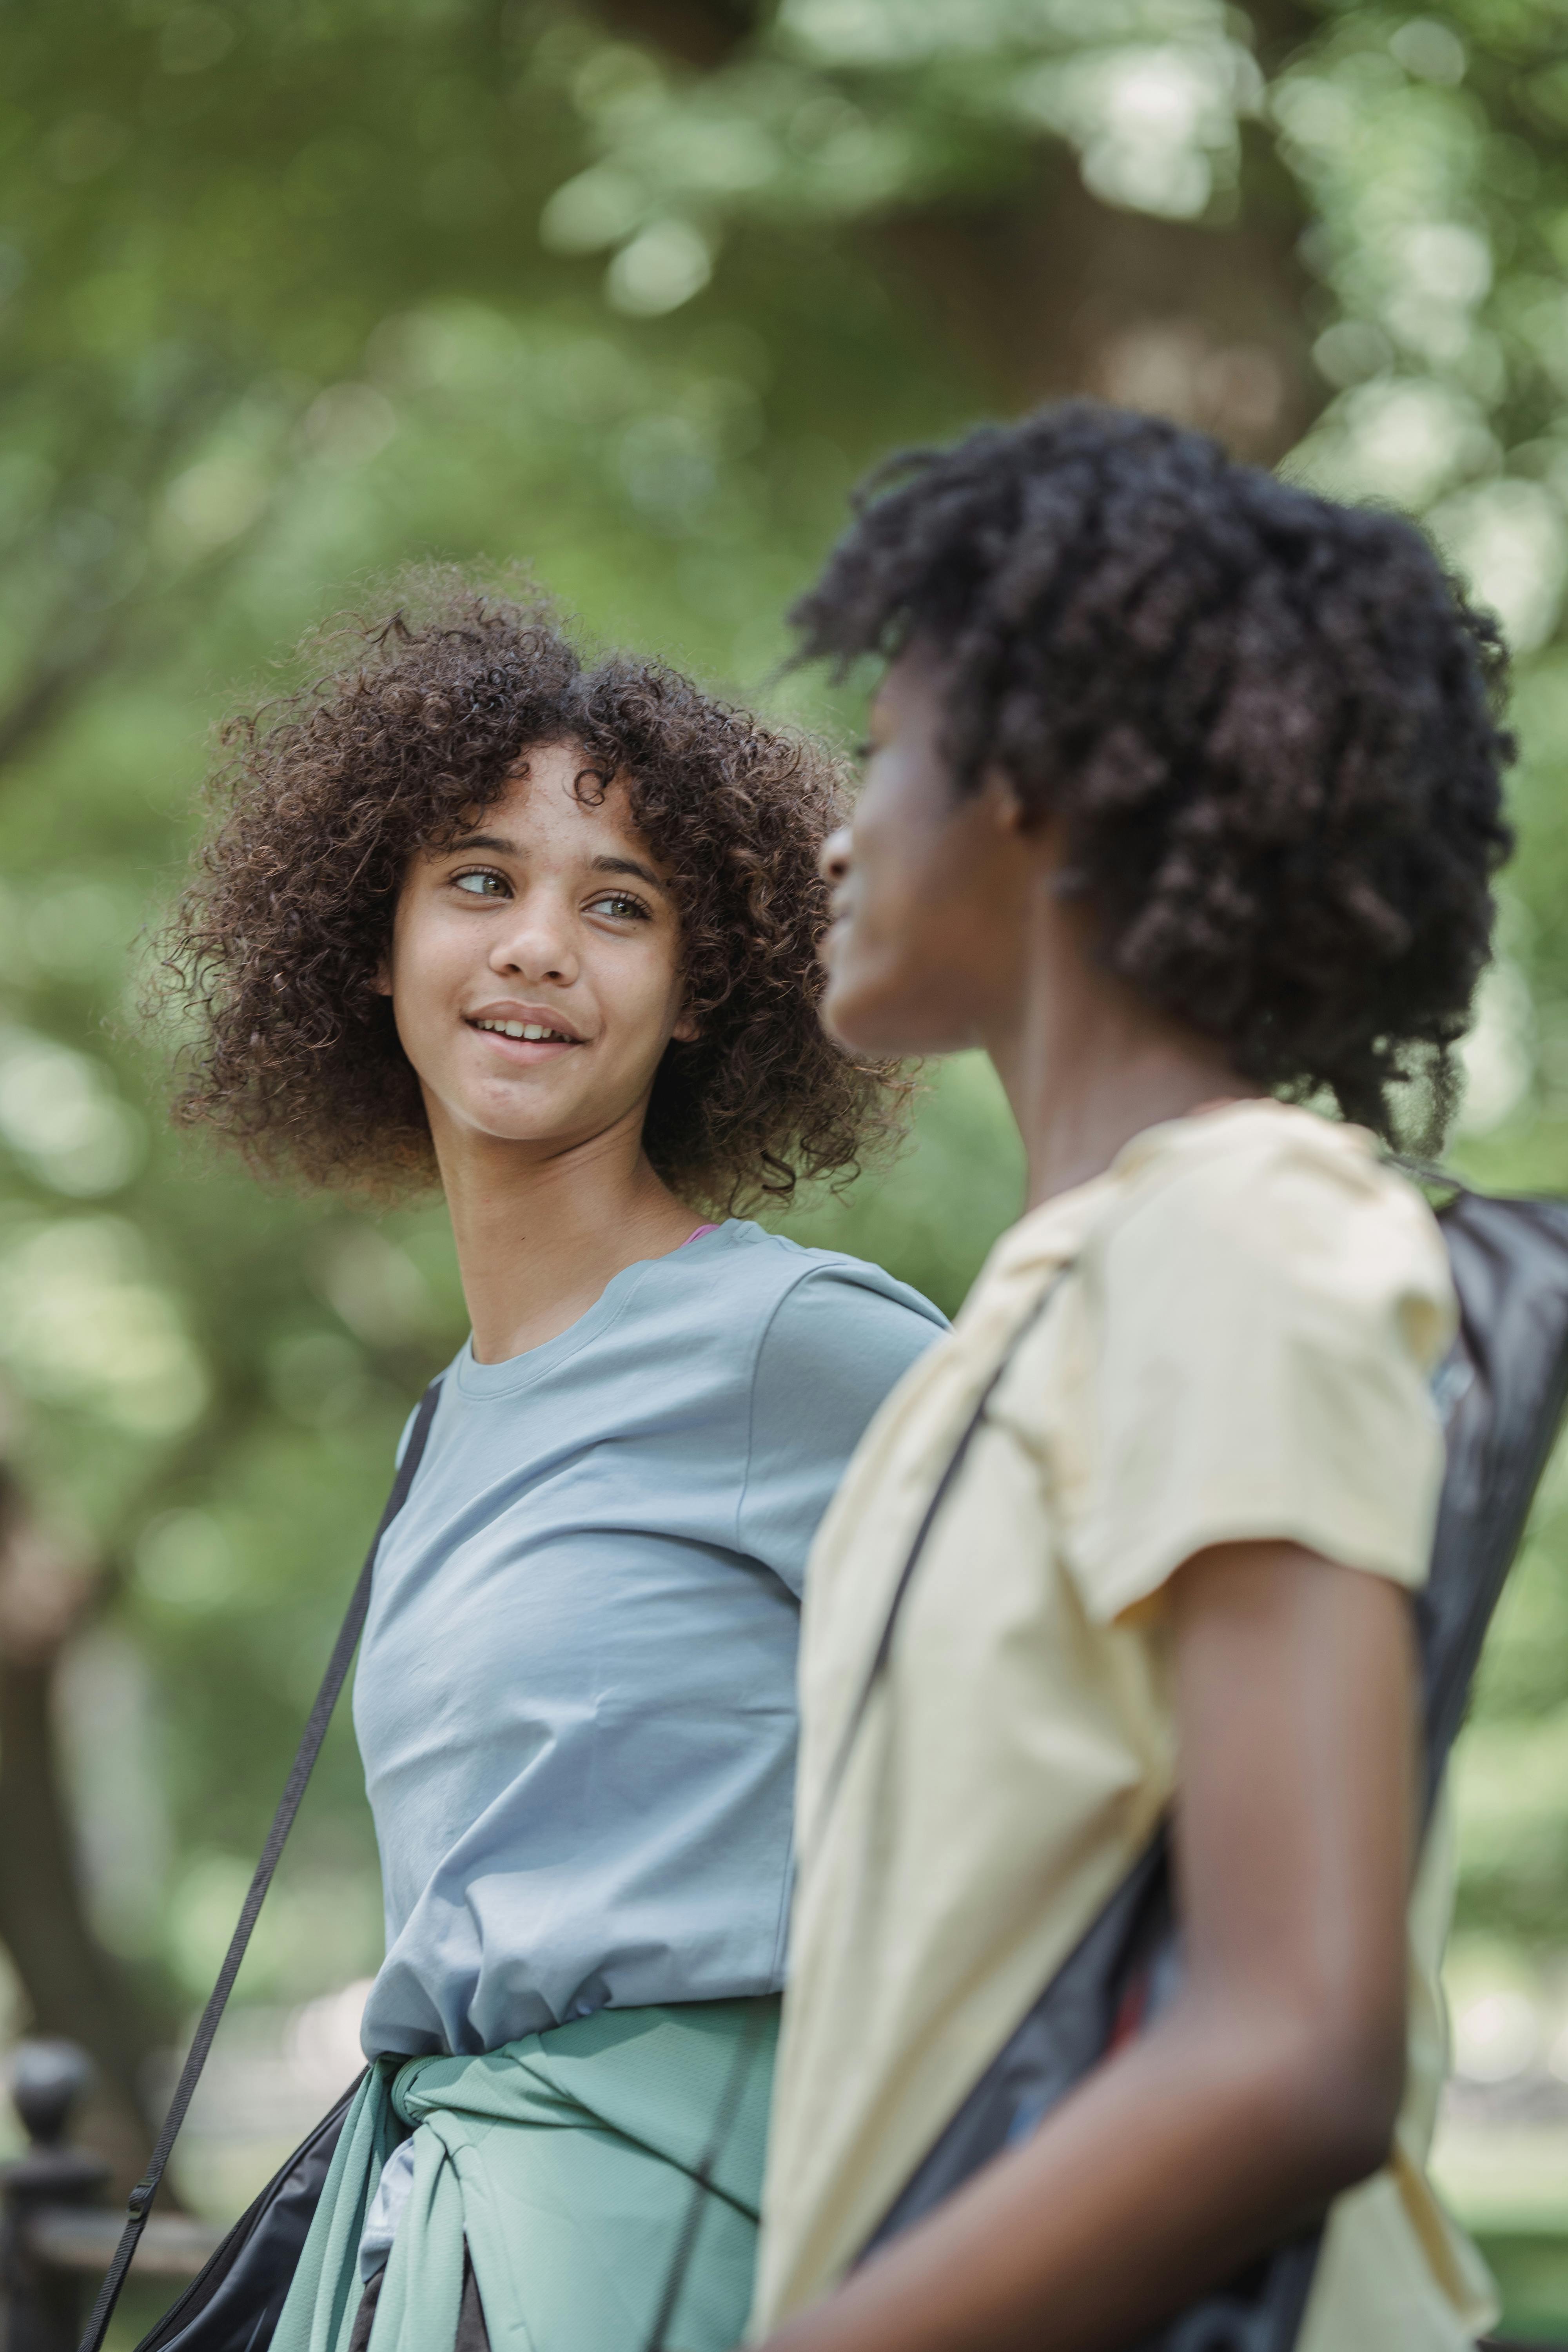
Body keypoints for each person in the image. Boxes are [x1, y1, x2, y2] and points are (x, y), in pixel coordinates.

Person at [749, 405, 1515, 2352]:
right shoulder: (1054, 1297)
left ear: (1038, 779)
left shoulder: (1240, 1228)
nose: (838, 828)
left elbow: (1292, 2046)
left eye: (884, 752)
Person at [159, 581, 946, 2352]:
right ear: (374, 944)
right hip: (433, 2259)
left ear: (700, 993)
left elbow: (1117, 1779)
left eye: (620, 907)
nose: (536, 947)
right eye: (479, 881)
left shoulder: (797, 1345)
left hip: (707, 2260)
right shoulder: (446, 1423)